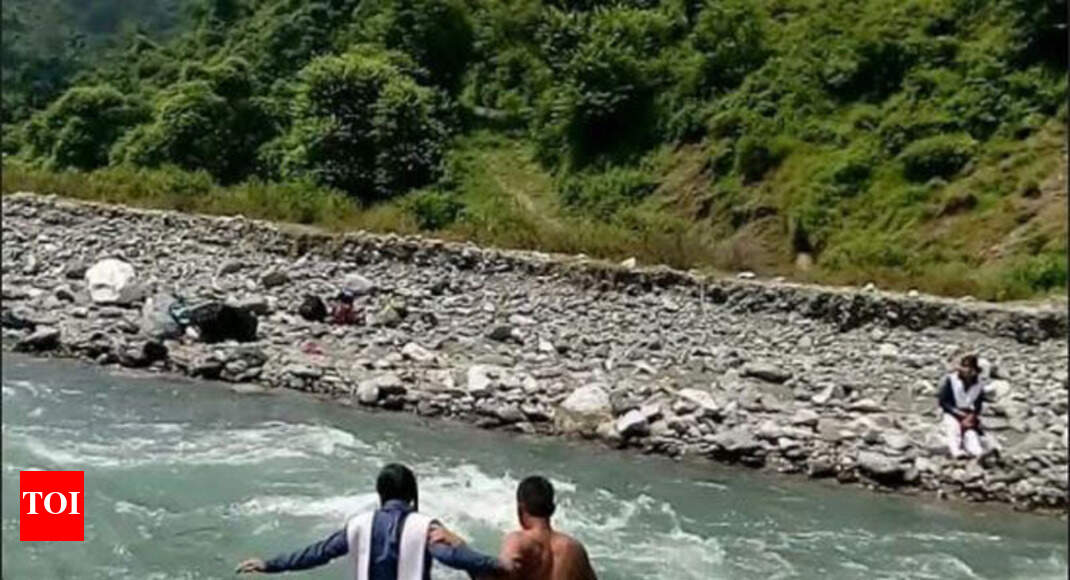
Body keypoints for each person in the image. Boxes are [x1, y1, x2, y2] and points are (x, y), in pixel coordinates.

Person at [236, 464, 506, 579]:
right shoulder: (425, 527)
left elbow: (318, 553)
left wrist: (270, 564)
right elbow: (452, 557)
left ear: (380, 494)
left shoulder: (358, 524)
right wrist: (497, 564)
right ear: (412, 494)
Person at [434, 476, 596, 580]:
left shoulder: (518, 541)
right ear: (552, 509)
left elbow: (496, 575)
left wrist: (459, 545)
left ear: (520, 509)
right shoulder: (576, 549)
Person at [937, 354, 987, 459]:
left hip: (968, 414)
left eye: (970, 368)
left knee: (971, 434)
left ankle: (977, 453)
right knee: (953, 428)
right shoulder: (952, 380)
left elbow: (978, 405)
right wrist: (959, 413)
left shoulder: (979, 384)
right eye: (965, 367)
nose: (967, 371)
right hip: (952, 411)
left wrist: (971, 417)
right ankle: (956, 452)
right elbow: (943, 401)